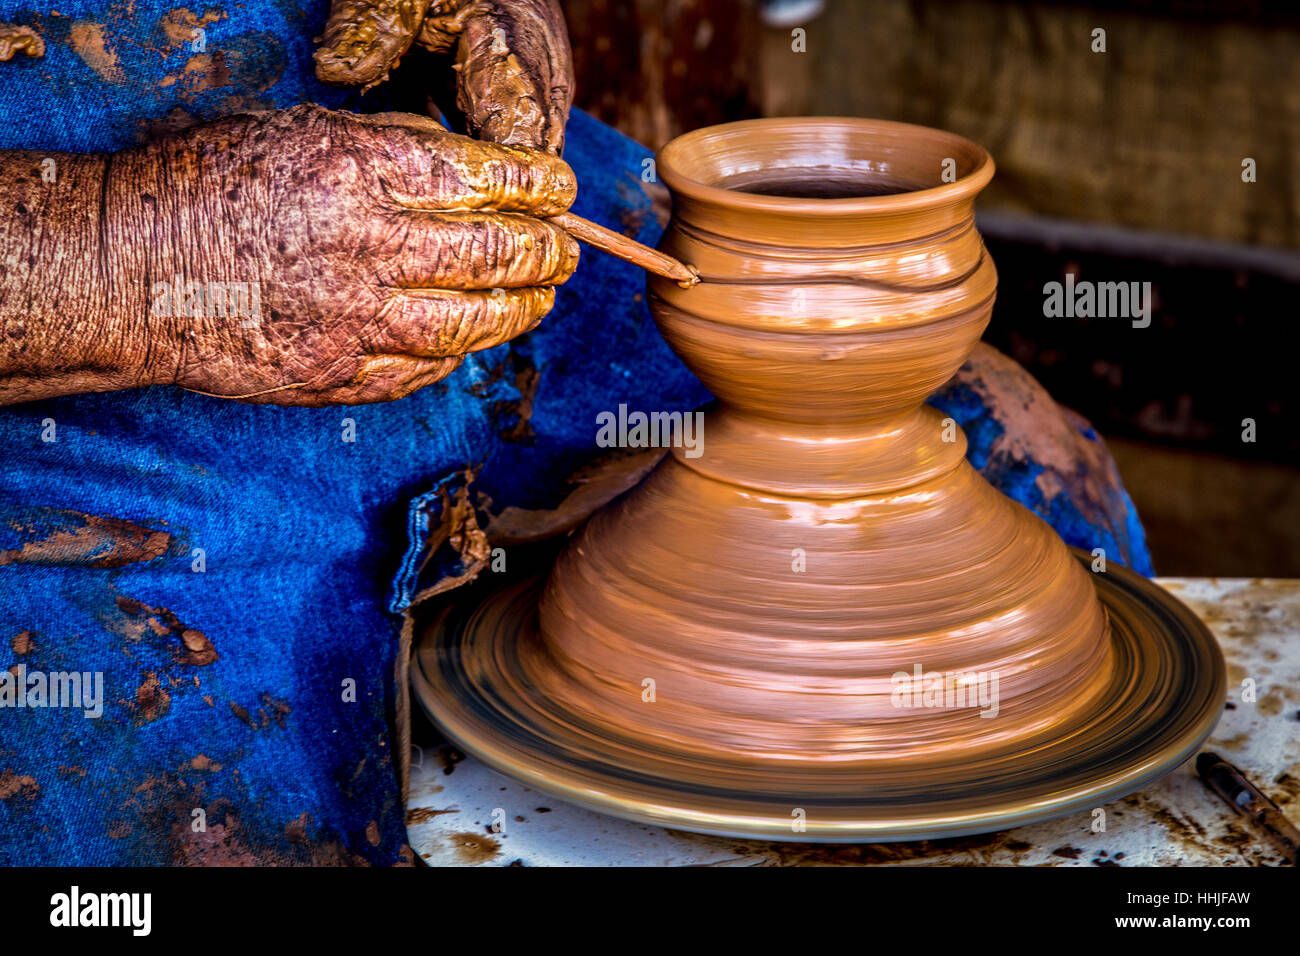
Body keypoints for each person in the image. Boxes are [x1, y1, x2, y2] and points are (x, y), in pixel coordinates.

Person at [0, 0, 1151, 865]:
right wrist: (118, 255)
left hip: (400, 142)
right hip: (74, 326)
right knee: (219, 820)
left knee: (1029, 471)